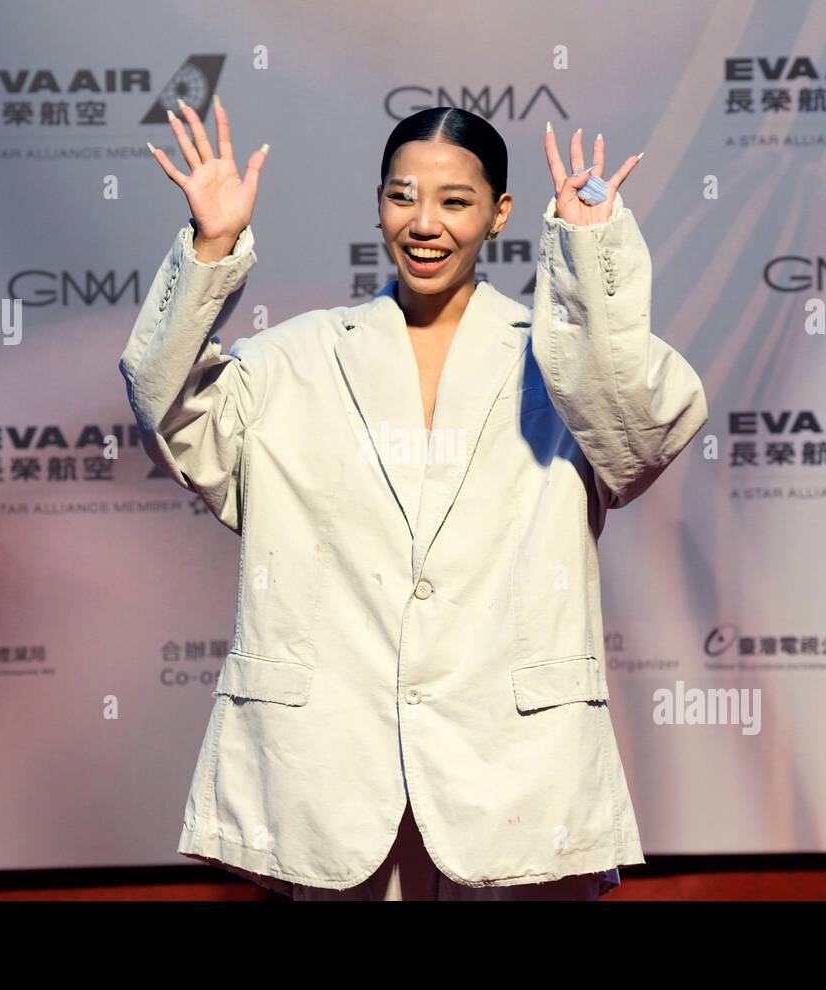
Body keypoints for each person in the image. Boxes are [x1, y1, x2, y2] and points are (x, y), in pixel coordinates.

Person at [120, 98, 708, 900]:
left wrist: (589, 254)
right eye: (403, 196)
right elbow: (165, 403)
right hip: (336, 787)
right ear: (378, 203)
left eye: (455, 201)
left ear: (501, 214)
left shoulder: (559, 362)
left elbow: (638, 436)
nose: (424, 223)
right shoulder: (299, 357)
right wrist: (212, 247)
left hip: (514, 779)